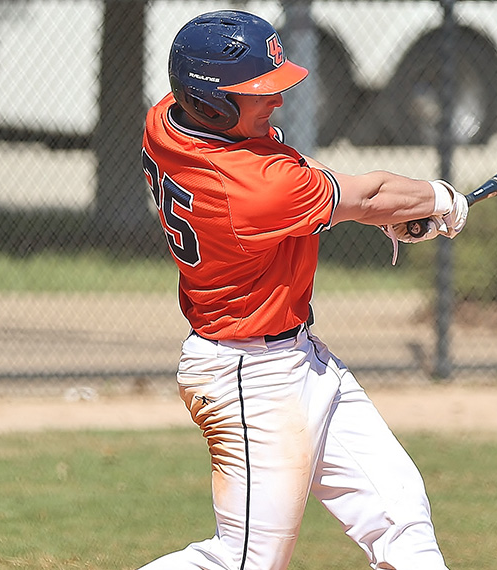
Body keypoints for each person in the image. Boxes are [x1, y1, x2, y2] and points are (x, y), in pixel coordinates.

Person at [139, 10, 467, 570]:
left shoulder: (168, 119)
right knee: (244, 562)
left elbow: (323, 192)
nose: (276, 101)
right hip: (247, 375)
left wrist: (384, 214)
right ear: (212, 103)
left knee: (400, 515)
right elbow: (365, 194)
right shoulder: (249, 189)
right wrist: (439, 199)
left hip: (297, 356)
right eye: (258, 92)